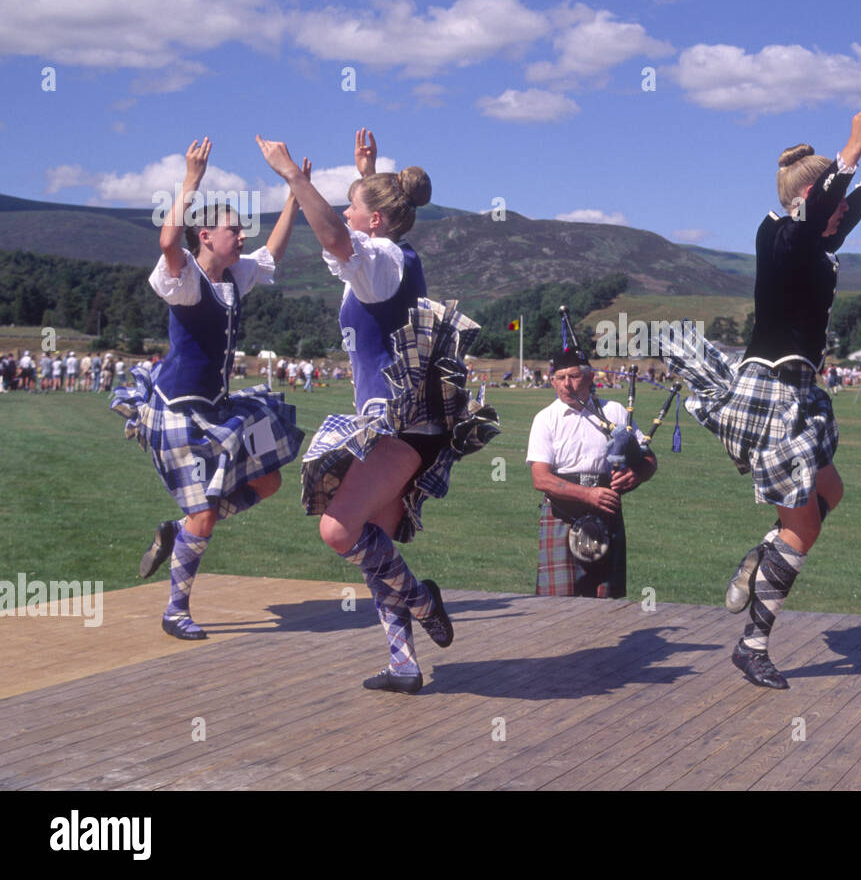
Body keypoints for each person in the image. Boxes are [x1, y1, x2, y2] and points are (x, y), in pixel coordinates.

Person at [660, 101, 861, 689]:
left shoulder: (806, 244)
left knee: (830, 493)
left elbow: (831, 221)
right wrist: (852, 152)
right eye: (832, 201)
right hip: (771, 396)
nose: (839, 214)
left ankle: (762, 554)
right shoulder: (782, 235)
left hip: (796, 393)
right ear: (808, 198)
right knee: (805, 529)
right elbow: (819, 213)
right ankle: (752, 644)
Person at [257, 128, 499, 695]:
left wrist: (294, 177)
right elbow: (354, 229)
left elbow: (339, 238)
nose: (345, 211)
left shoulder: (381, 259)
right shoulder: (390, 257)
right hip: (399, 424)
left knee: (339, 532)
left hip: (403, 425)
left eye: (355, 204)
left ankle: (421, 598)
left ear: (376, 221)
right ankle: (403, 665)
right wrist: (365, 170)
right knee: (374, 545)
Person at [111, 138, 304, 640]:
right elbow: (167, 243)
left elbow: (273, 252)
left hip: (215, 408)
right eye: (232, 230)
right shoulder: (185, 279)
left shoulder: (233, 277)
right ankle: (175, 610)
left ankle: (178, 534)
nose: (241, 237)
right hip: (175, 411)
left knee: (268, 481)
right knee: (203, 513)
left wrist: (293, 194)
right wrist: (190, 181)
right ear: (206, 235)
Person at [526, 344, 657, 598]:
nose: (567, 385)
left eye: (574, 377)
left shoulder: (615, 412)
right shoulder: (545, 419)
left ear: (589, 377)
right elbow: (540, 479)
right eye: (560, 378)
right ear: (552, 382)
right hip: (562, 514)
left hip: (606, 512)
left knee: (606, 604)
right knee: (557, 605)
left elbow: (649, 459)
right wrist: (587, 495)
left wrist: (637, 474)